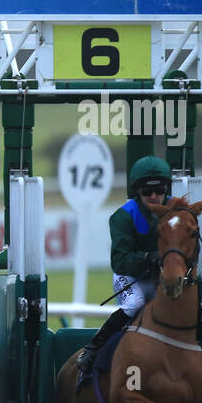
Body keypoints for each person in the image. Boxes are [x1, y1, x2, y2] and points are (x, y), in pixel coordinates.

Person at [75, 155, 172, 374]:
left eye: (160, 190)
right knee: (135, 303)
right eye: (148, 191)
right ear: (137, 192)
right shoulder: (123, 217)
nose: (155, 196)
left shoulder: (175, 212)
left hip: (161, 278)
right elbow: (119, 260)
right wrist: (148, 258)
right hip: (129, 276)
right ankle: (93, 347)